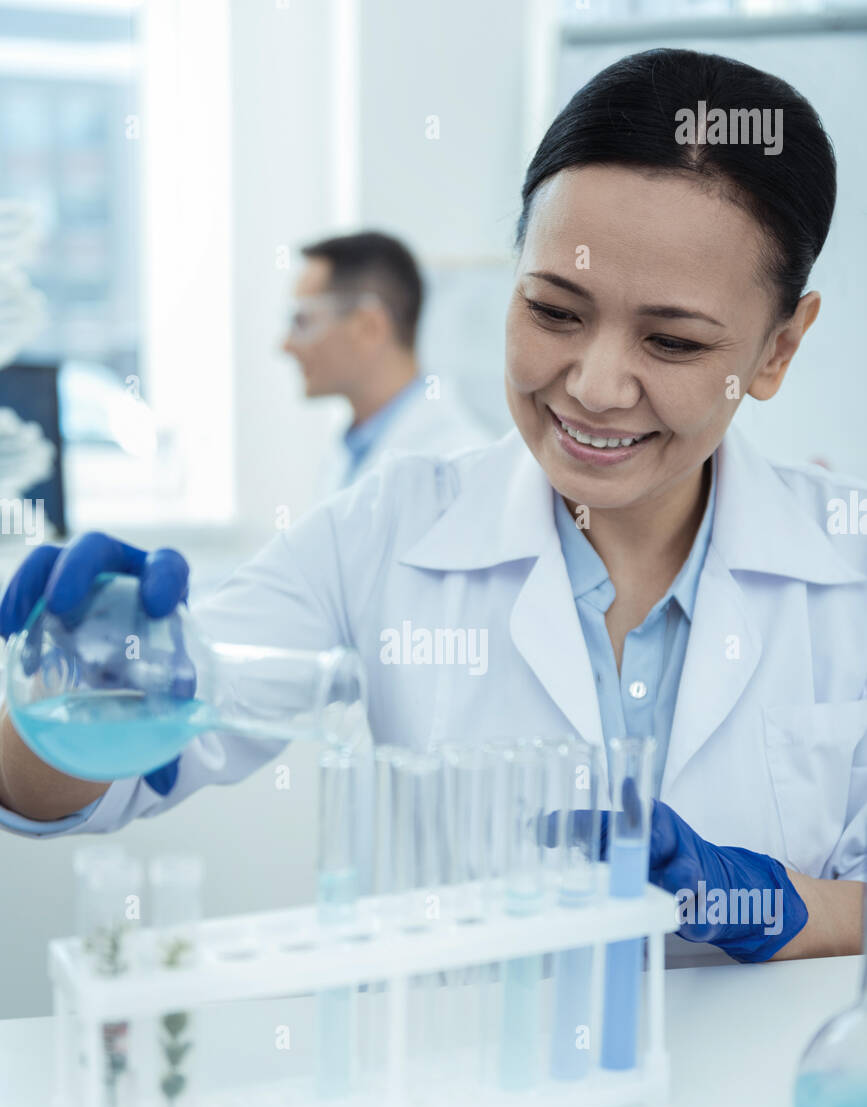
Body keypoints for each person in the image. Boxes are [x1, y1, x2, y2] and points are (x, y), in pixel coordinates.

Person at [1, 48, 866, 967]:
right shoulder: (380, 535)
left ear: (776, 350)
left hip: (760, 1102)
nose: (596, 385)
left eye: (671, 341)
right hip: (460, 1095)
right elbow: (70, 787)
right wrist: (70, 689)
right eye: (554, 312)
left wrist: (769, 904)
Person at [281, 230, 492, 496]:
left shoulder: (453, 464)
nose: (286, 345)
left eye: (302, 321)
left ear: (369, 327)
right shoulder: (350, 452)